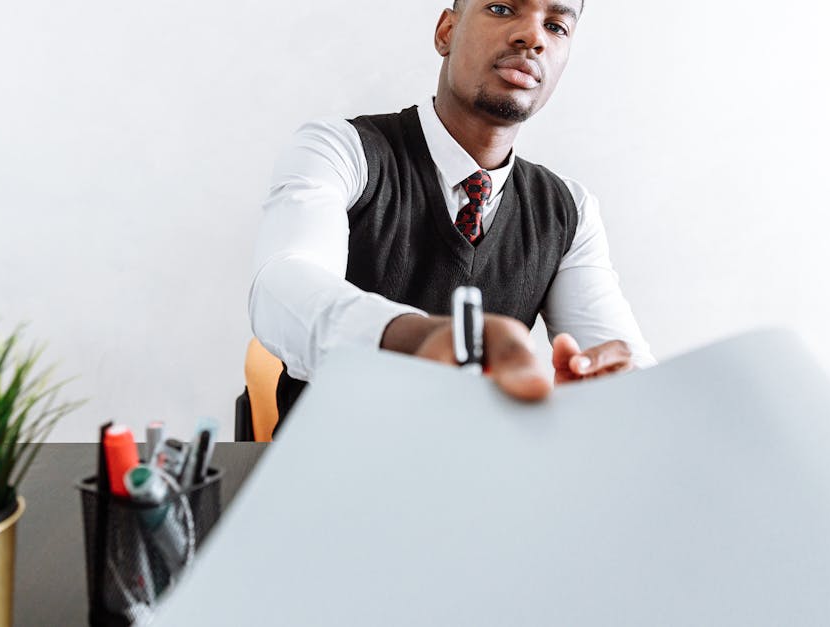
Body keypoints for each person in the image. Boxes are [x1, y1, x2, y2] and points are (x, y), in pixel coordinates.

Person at [249, 0, 654, 427]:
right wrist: (418, 341)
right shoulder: (339, 149)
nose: (533, 37)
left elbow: (623, 364)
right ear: (446, 32)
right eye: (501, 8)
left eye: (556, 26)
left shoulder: (570, 210)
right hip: (327, 473)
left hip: (479, 480)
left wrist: (607, 399)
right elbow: (281, 287)